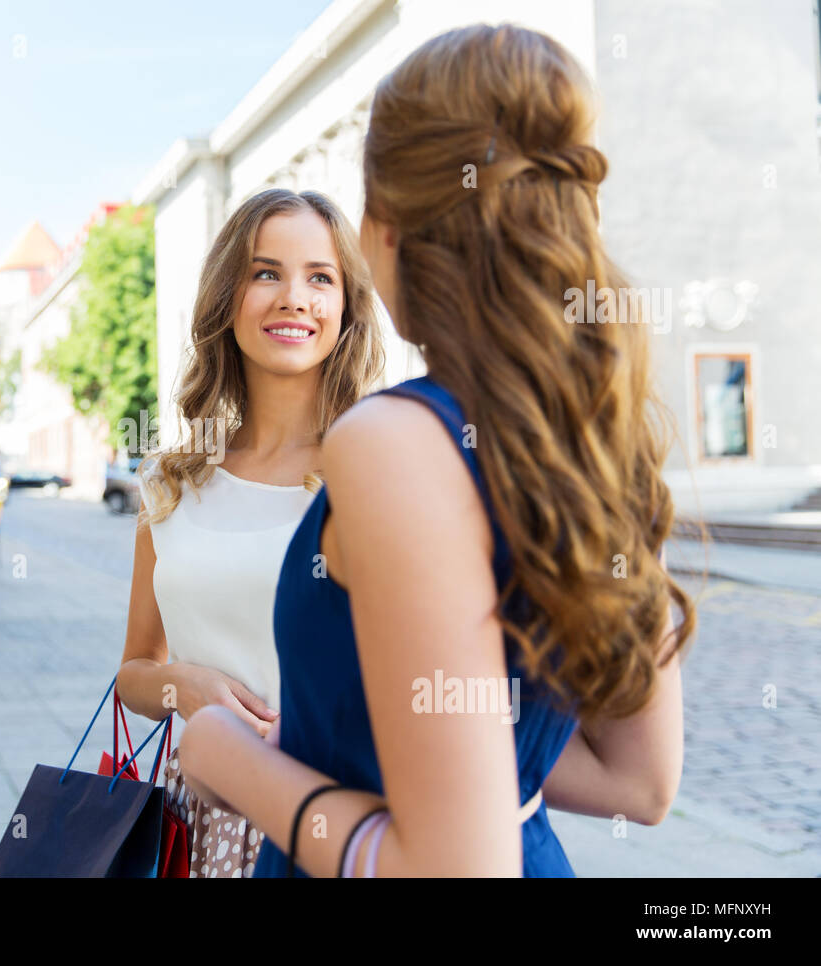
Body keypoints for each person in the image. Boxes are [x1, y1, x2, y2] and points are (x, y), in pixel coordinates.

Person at [176, 23, 695, 877]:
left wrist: (224, 752)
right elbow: (639, 781)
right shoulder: (603, 437)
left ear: (383, 230)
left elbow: (451, 869)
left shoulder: (393, 441)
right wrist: (463, 766)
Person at [116, 188, 386, 876]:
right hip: (195, 824)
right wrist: (188, 688)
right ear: (225, 299)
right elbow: (134, 672)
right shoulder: (169, 482)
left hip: (326, 816)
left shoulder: (375, 476)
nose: (294, 297)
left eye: (320, 277)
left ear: (347, 306)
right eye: (266, 272)